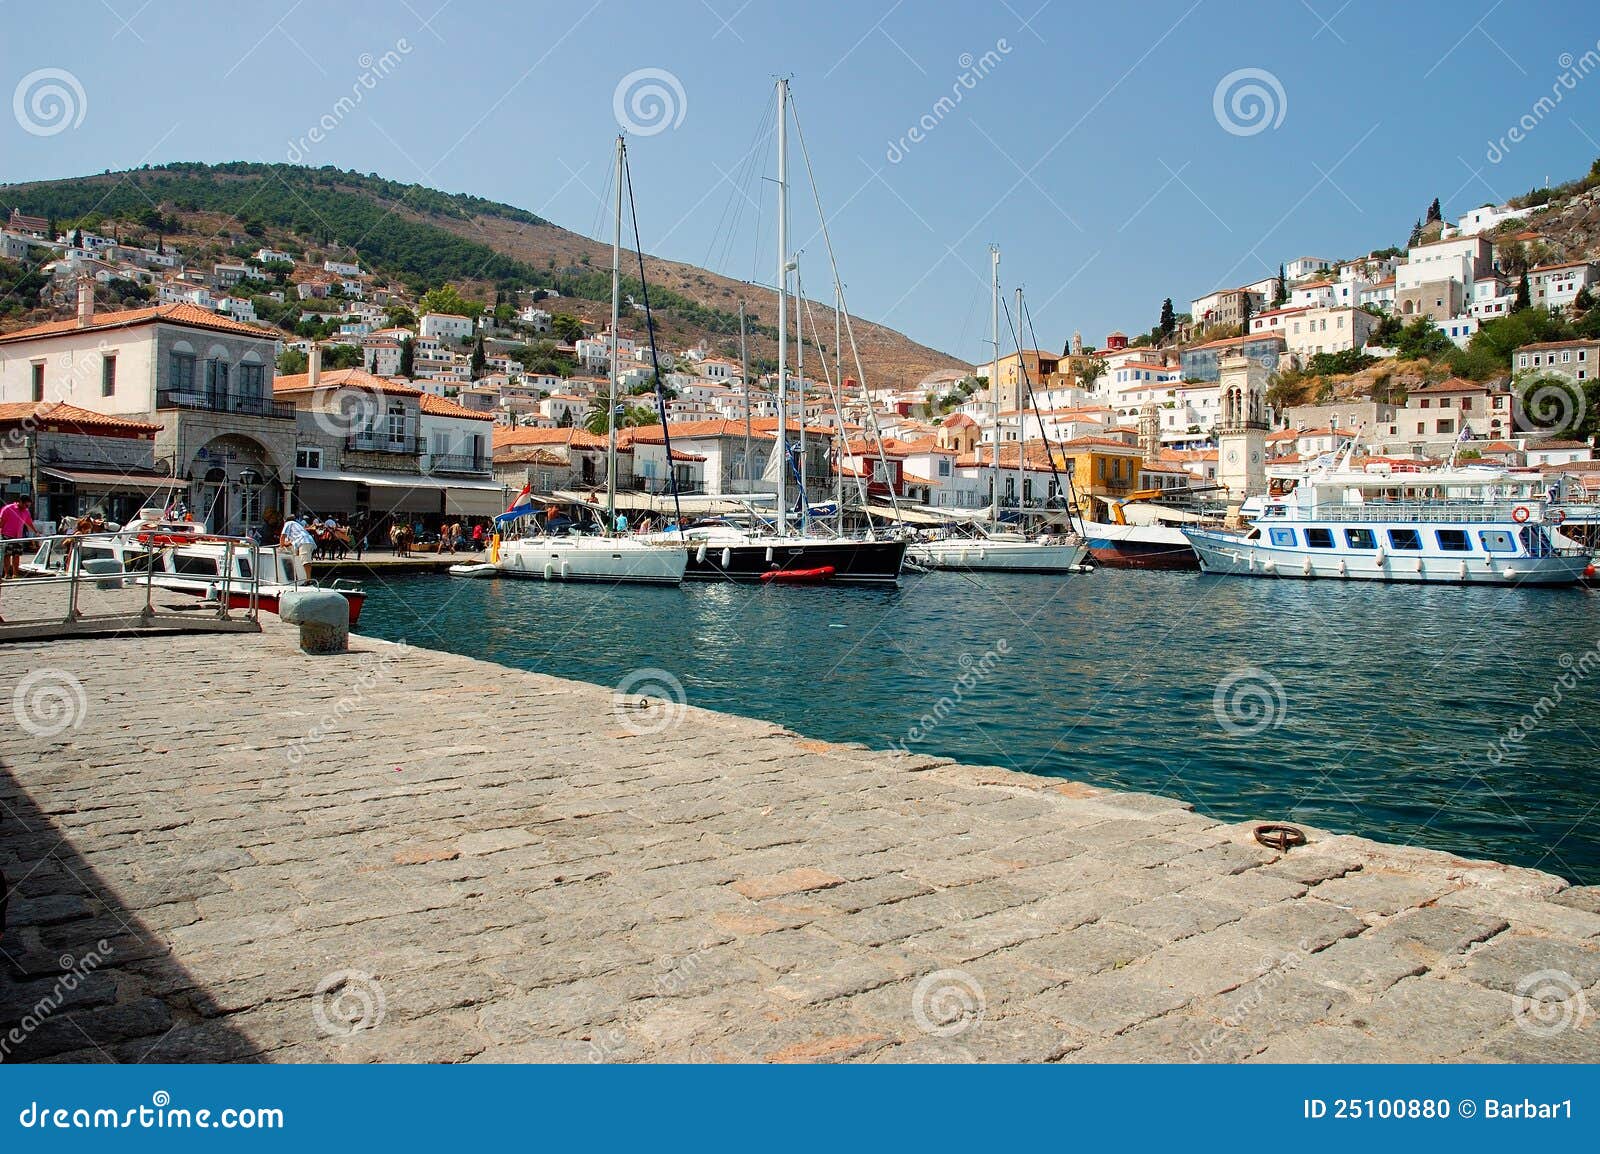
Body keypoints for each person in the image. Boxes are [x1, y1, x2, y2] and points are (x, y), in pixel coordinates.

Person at [0, 495, 36, 580]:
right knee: (7, 555)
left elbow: (29, 522)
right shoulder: (8, 508)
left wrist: (36, 531)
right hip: (7, 535)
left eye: (28, 506)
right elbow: (1, 521)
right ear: (20, 502)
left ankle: (15, 574)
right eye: (26, 505)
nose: (27, 507)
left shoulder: (26, 511)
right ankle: (7, 574)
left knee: (17, 555)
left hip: (18, 536)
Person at [279, 515, 317, 584]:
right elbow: (293, 539)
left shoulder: (288, 523)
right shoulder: (297, 525)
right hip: (306, 541)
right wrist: (286, 544)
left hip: (304, 541)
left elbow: (283, 536)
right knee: (299, 559)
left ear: (285, 520)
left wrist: (281, 547)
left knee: (305, 560)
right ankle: (301, 578)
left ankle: (308, 580)